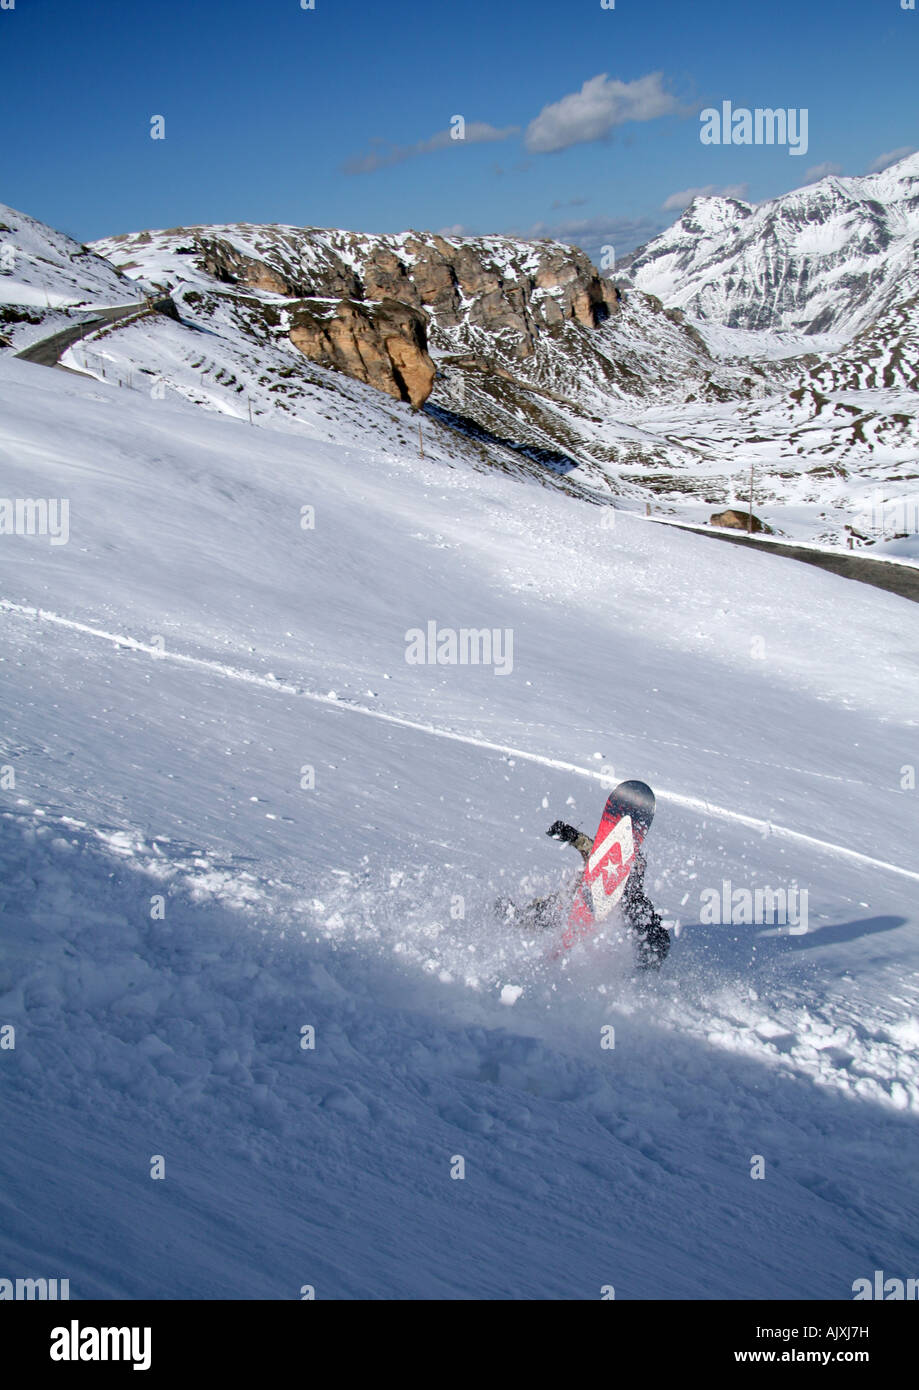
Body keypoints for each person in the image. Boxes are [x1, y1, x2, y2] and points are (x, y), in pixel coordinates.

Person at [497, 820, 670, 969]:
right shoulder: (598, 863)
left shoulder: (634, 899)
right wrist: (571, 835)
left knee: (641, 918)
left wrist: (654, 951)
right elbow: (590, 849)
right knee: (555, 905)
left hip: (609, 917)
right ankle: (517, 919)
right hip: (574, 905)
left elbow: (646, 918)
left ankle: (647, 958)